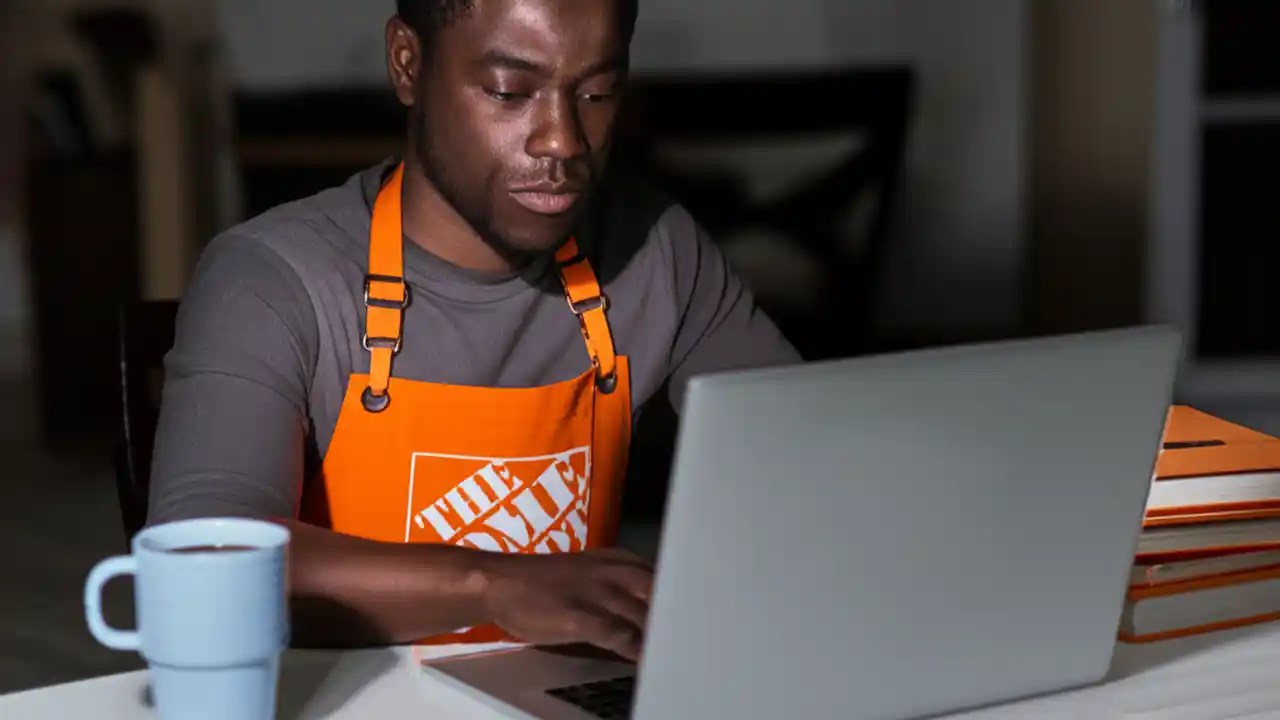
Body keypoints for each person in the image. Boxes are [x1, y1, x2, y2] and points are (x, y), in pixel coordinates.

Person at [147, 0, 799, 661]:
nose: (563, 140)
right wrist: (490, 587)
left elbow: (817, 457)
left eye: (598, 93)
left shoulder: (657, 253)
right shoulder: (271, 279)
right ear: (408, 62)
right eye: (509, 91)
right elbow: (204, 557)